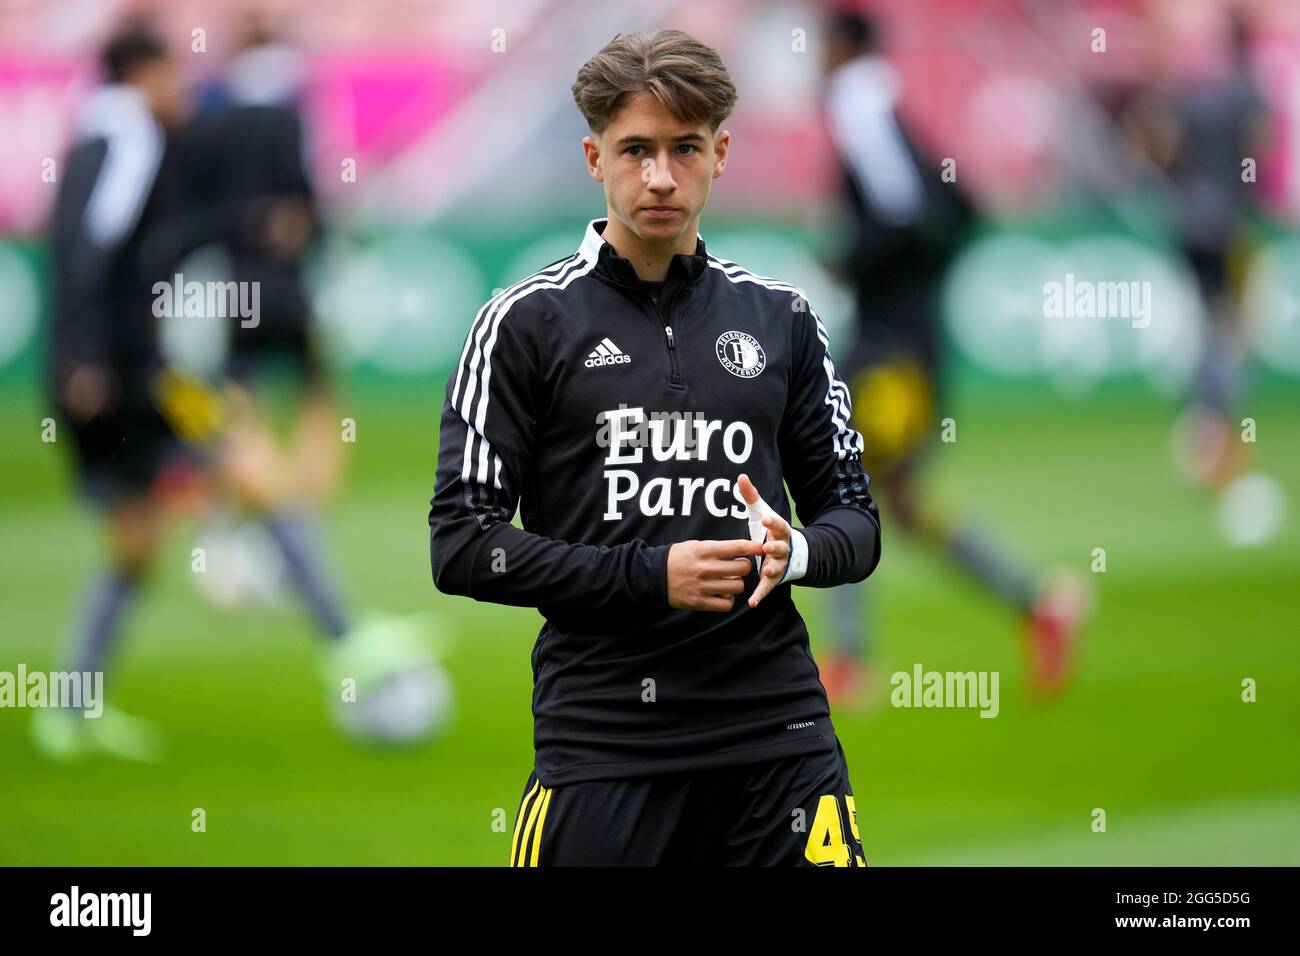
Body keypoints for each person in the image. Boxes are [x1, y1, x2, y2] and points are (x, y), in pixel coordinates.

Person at [429, 30, 881, 866]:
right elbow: (462, 547)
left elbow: (855, 522)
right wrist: (648, 576)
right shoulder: (523, 324)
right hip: (605, 746)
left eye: (685, 149)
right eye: (637, 150)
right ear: (594, 157)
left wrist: (800, 552)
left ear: (722, 152)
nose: (663, 177)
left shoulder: (782, 319)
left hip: (778, 738)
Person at [818, 11, 1087, 707]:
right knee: (896, 503)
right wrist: (923, 281)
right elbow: (963, 207)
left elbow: (900, 216)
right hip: (913, 344)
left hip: (888, 354)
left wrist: (850, 262)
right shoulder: (896, 115)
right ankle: (1039, 603)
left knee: (843, 487)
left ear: (840, 49)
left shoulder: (858, 106)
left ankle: (848, 662)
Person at [35, 23, 195, 761]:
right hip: (120, 376)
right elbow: (88, 248)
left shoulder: (97, 133)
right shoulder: (127, 137)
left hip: (127, 369)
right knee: (241, 476)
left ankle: (72, 704)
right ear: (143, 73)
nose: (181, 89)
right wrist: (83, 356)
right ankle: (346, 640)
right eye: (174, 72)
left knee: (135, 541)